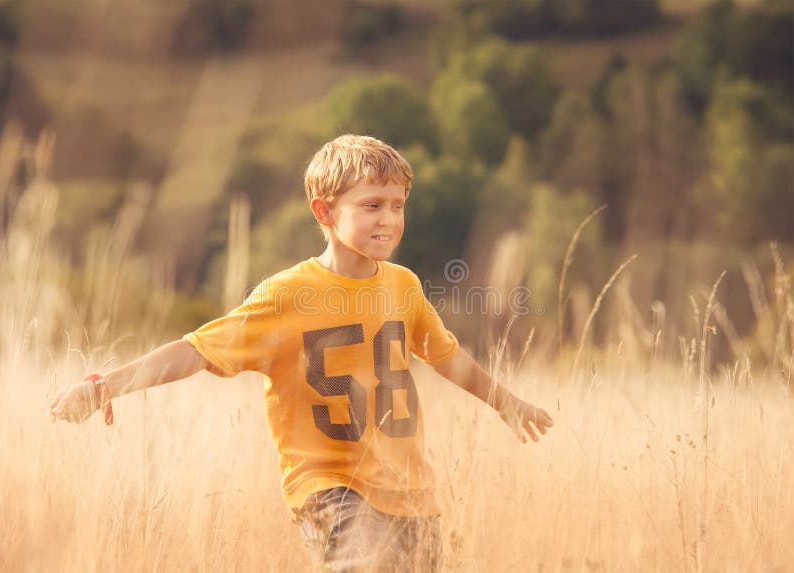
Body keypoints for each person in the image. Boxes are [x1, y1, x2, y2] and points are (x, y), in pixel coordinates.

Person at [49, 134, 554, 571]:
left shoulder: (404, 286)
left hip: (410, 491)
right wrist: (103, 387)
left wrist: (506, 402)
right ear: (324, 212)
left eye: (398, 205)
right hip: (329, 488)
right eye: (372, 205)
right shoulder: (287, 294)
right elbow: (197, 349)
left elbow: (447, 357)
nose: (389, 218)